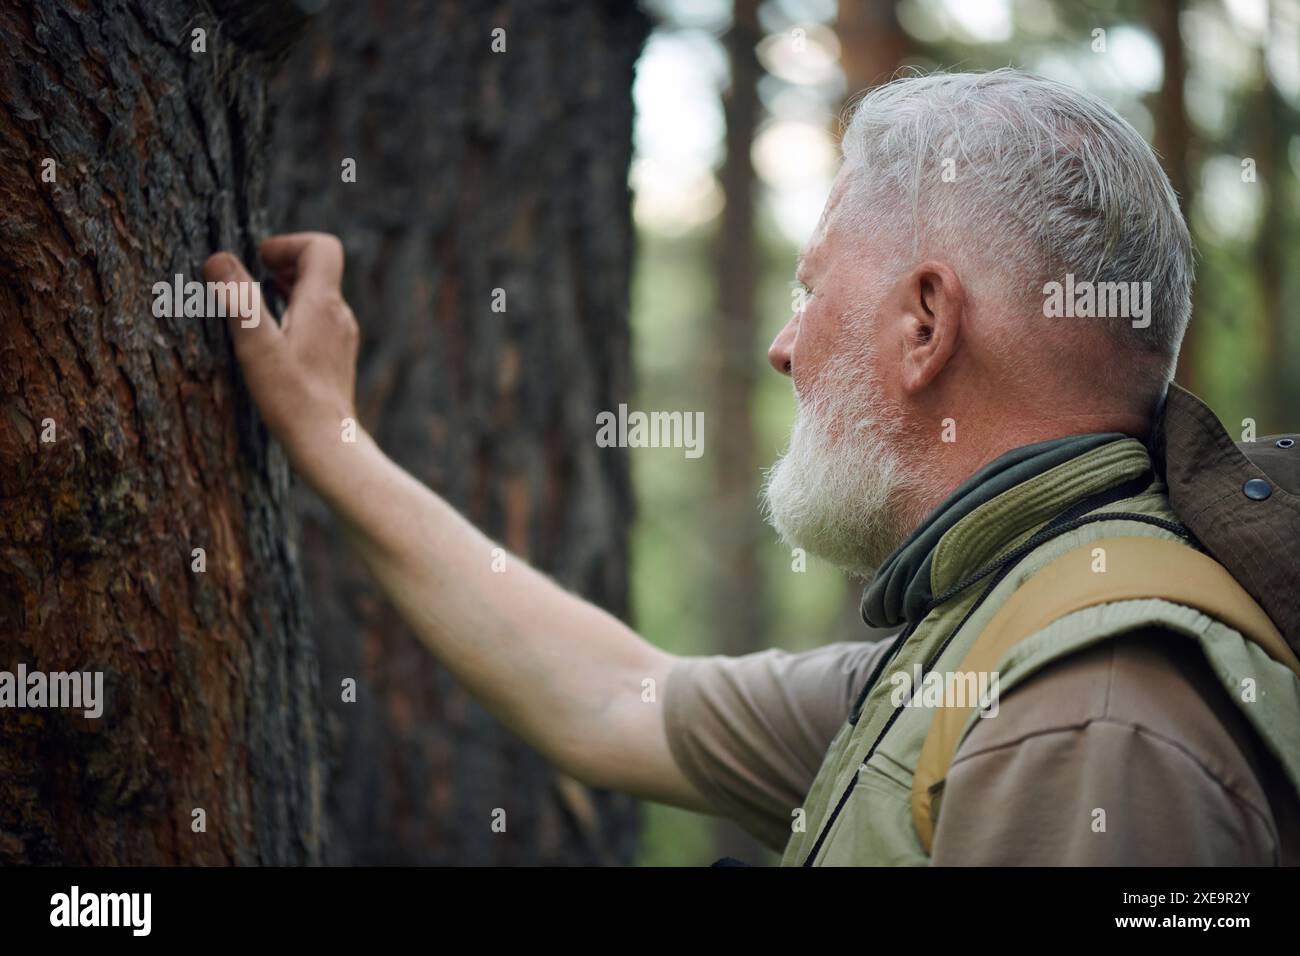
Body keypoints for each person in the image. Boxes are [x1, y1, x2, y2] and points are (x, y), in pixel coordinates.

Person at [203, 69, 1300, 866]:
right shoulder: (995, 634)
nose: (782, 345)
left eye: (810, 289)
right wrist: (327, 437)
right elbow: (618, 698)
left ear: (924, 324)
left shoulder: (1085, 709)